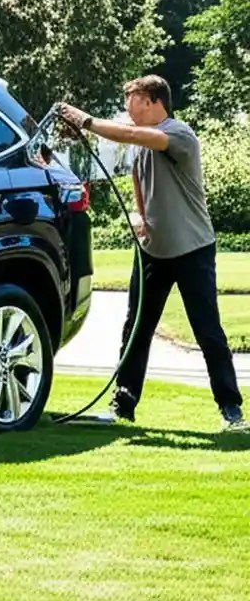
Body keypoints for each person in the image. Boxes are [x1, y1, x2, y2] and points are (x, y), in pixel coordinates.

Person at [58, 75, 245, 432]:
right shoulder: (138, 142)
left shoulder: (178, 135)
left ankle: (231, 410)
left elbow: (131, 135)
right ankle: (123, 407)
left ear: (152, 101)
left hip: (193, 249)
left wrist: (86, 121)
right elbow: (137, 177)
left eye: (132, 99)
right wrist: (140, 215)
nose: (127, 107)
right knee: (136, 329)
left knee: (207, 331)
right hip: (152, 251)